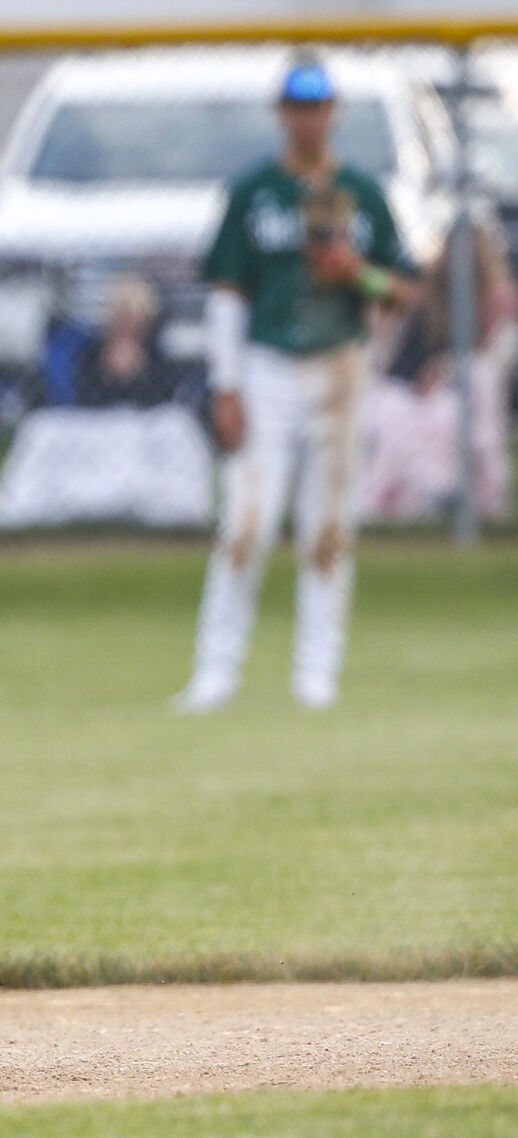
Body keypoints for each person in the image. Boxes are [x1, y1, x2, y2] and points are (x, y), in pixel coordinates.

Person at [175, 57, 418, 714]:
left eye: (318, 106)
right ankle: (216, 672)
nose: (308, 118)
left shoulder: (363, 195)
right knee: (247, 523)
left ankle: (317, 676)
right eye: (296, 106)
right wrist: (226, 385)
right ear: (281, 113)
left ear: (332, 112)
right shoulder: (255, 192)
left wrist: (355, 275)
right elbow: (226, 293)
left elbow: (401, 289)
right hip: (268, 367)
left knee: (329, 528)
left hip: (340, 365)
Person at [360, 210, 516, 522]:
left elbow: (497, 354)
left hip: (466, 387)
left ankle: (468, 499)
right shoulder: (425, 292)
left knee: (453, 414)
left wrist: (447, 370)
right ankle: (416, 500)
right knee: (392, 414)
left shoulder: (497, 296)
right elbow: (400, 349)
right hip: (409, 388)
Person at [69, 277, 173, 409]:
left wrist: (139, 372)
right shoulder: (91, 353)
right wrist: (108, 372)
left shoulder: (156, 355)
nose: (130, 326)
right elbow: (83, 397)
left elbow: (161, 400)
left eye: (137, 319)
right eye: (124, 318)